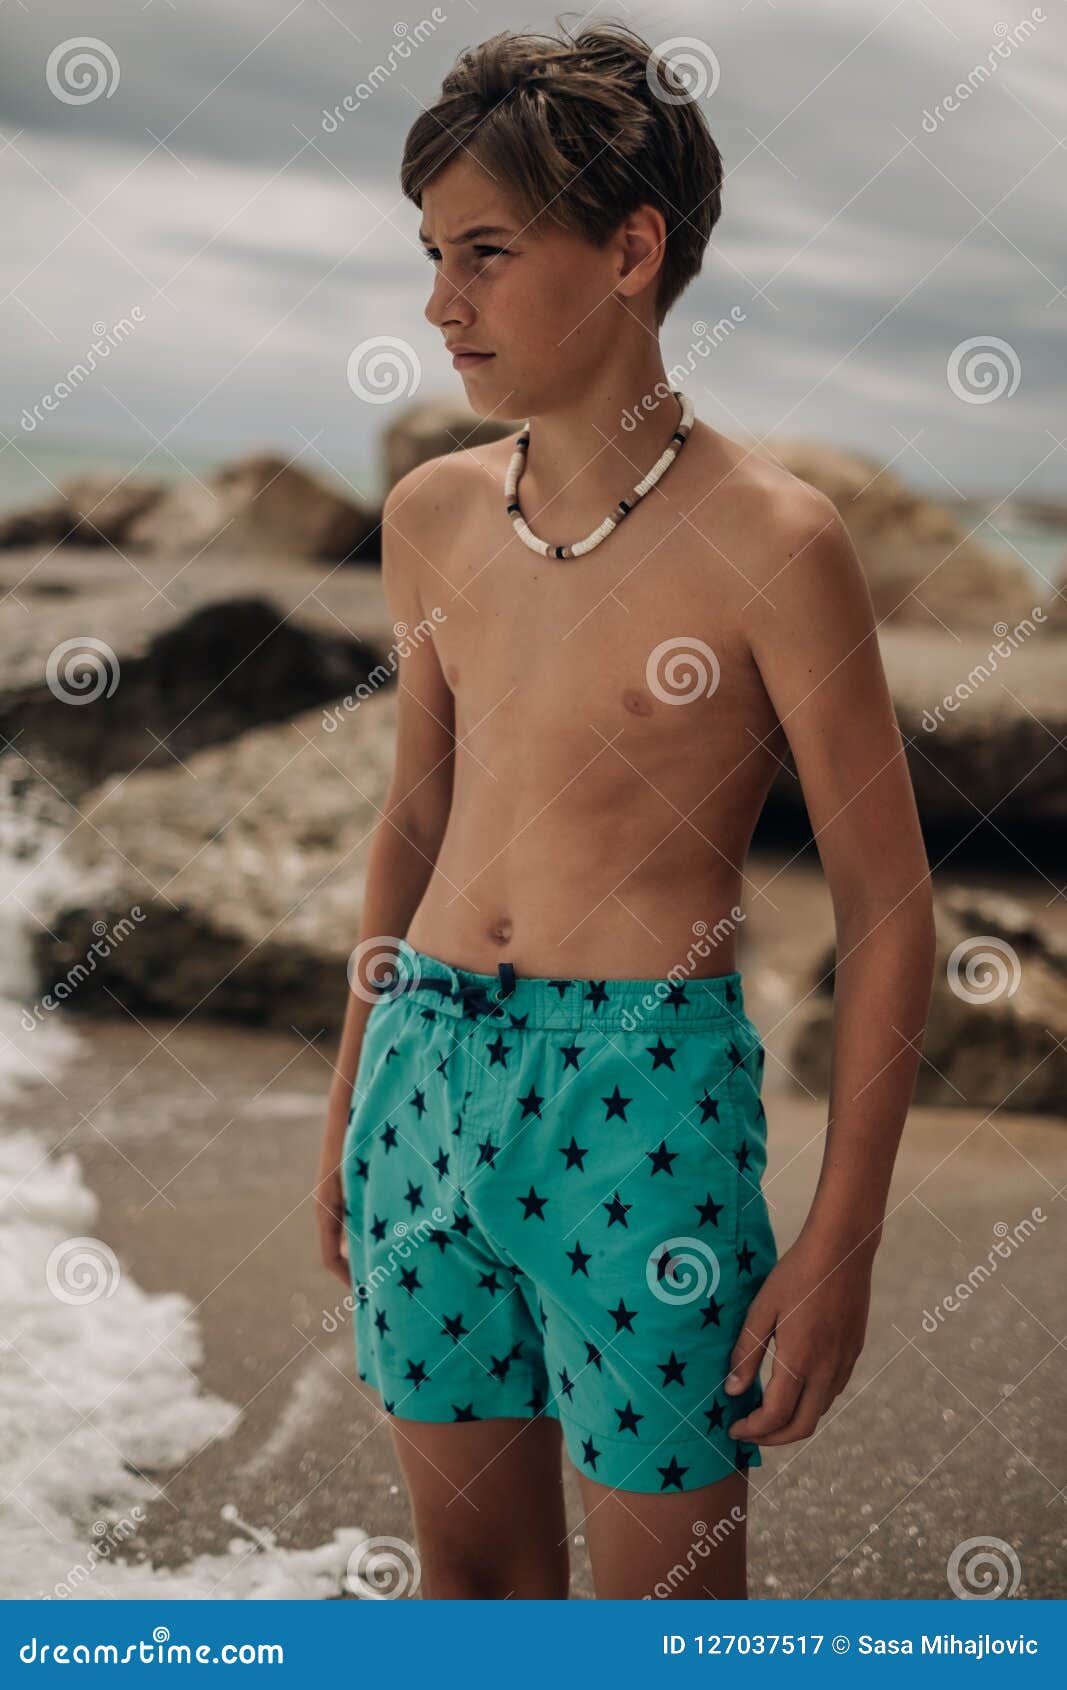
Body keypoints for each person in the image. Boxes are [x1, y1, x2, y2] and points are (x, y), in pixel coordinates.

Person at [316, 18, 935, 1601]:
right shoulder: (434, 515)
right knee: (470, 1584)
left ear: (630, 251)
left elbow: (888, 898)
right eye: (431, 254)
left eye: (486, 253)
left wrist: (841, 1240)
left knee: (667, 1618)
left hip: (639, 1104)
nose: (439, 300)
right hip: (424, 1067)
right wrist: (349, 1099)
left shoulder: (774, 541)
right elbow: (413, 820)